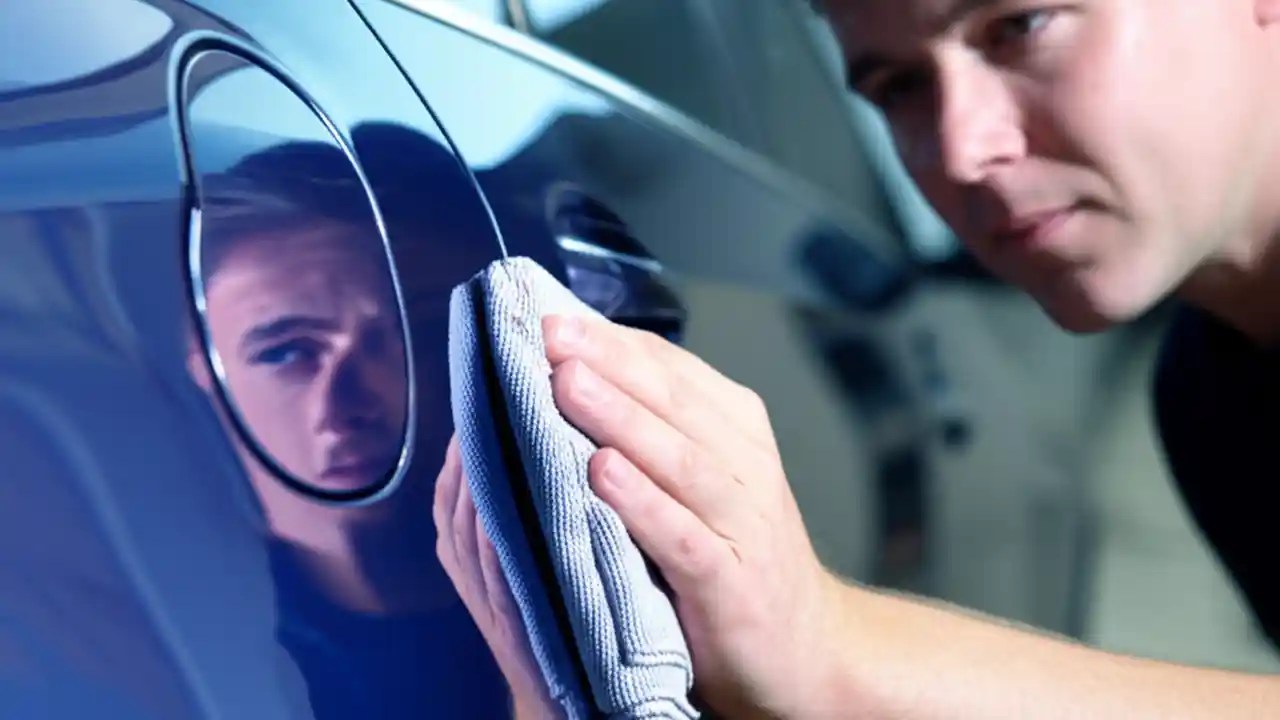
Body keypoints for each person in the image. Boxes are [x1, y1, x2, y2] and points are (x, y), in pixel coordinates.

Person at [437, 0, 1280, 717]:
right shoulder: (1208, 390)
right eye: (900, 87)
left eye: (1021, 25)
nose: (960, 149)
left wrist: (830, 646)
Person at [189, 136, 520, 718]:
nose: (346, 404)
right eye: (286, 353)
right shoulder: (168, 653)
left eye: (415, 336)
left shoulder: (623, 606)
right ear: (206, 376)